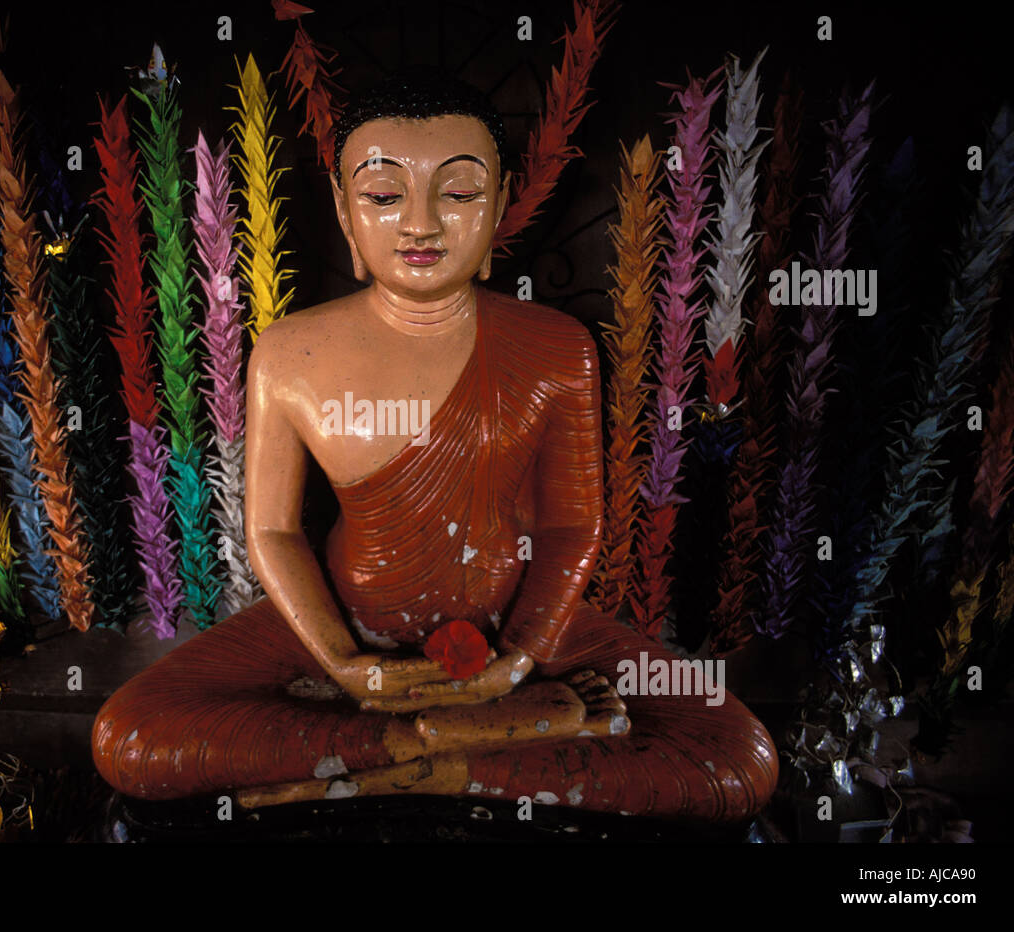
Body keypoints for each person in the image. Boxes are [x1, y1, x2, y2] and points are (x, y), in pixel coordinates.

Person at [93, 71, 777, 821]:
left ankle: (396, 754)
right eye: (384, 197)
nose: (420, 223)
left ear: (500, 202)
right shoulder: (287, 354)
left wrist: (517, 659)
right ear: (343, 212)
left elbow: (569, 527)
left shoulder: (555, 348)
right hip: (344, 622)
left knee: (735, 758)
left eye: (457, 193)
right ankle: (458, 748)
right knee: (129, 737)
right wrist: (345, 665)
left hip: (522, 627)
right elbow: (273, 531)